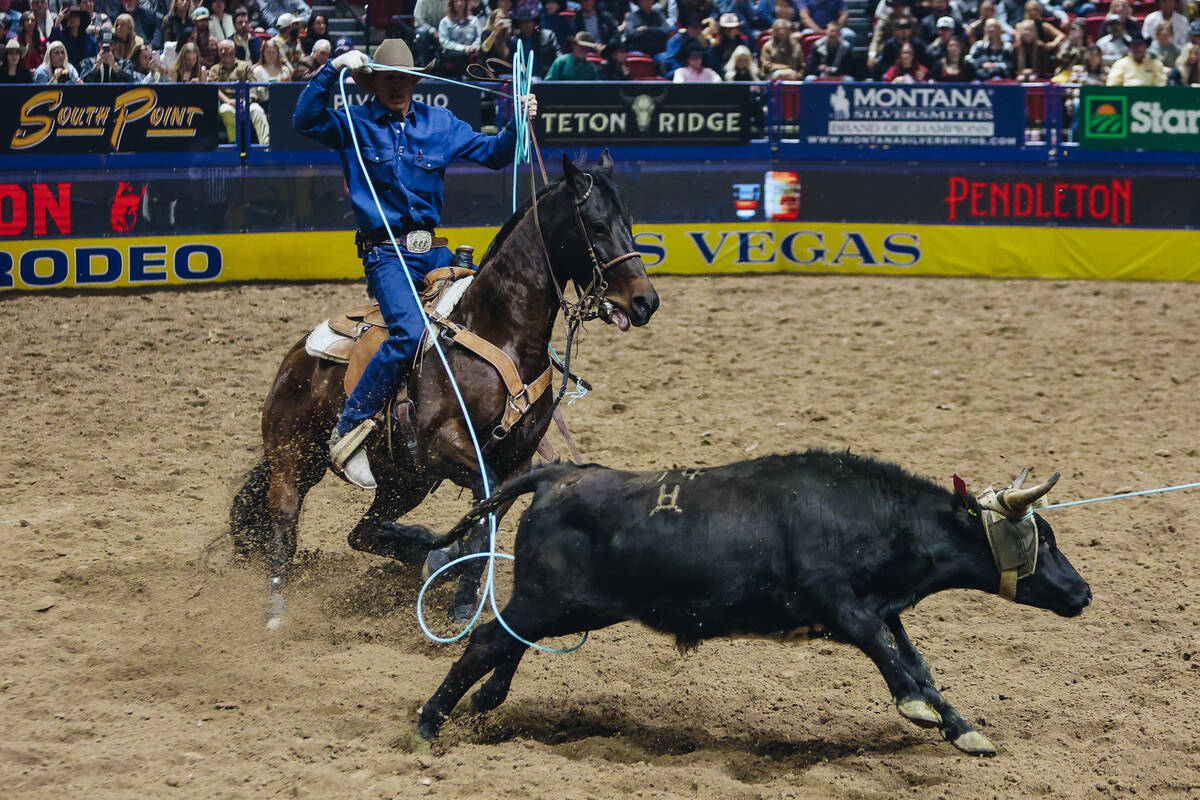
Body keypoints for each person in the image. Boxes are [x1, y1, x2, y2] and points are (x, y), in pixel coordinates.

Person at [292, 38, 539, 489]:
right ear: (375, 83)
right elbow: (303, 119)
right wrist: (332, 69)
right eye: (388, 79)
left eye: (404, 79)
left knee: (487, 315)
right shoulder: (355, 122)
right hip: (385, 253)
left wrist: (517, 120)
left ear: (415, 82)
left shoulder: (440, 124)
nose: (397, 86)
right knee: (409, 331)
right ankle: (349, 428)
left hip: (434, 252)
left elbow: (496, 155)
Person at [211, 37, 268, 142]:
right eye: (221, 50)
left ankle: (265, 147)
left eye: (226, 49)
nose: (223, 52)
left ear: (234, 50)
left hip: (247, 101)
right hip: (228, 102)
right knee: (225, 110)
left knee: (258, 111)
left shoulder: (245, 65)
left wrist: (248, 99)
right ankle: (235, 145)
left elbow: (253, 84)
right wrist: (228, 101)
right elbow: (214, 88)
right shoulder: (214, 69)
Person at [510, 0, 557, 77]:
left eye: (529, 21)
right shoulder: (514, 40)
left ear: (534, 22)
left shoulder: (547, 36)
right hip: (521, 78)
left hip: (544, 77)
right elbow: (510, 60)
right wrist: (518, 66)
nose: (526, 25)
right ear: (519, 25)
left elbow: (557, 55)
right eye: (523, 22)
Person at [438, 0, 480, 78]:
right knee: (461, 55)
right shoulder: (445, 22)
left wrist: (474, 46)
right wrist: (463, 48)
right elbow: (444, 42)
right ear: (452, 4)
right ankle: (464, 78)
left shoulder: (474, 20)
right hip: (453, 51)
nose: (459, 3)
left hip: (472, 49)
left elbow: (479, 37)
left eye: (462, 1)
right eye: (456, 1)